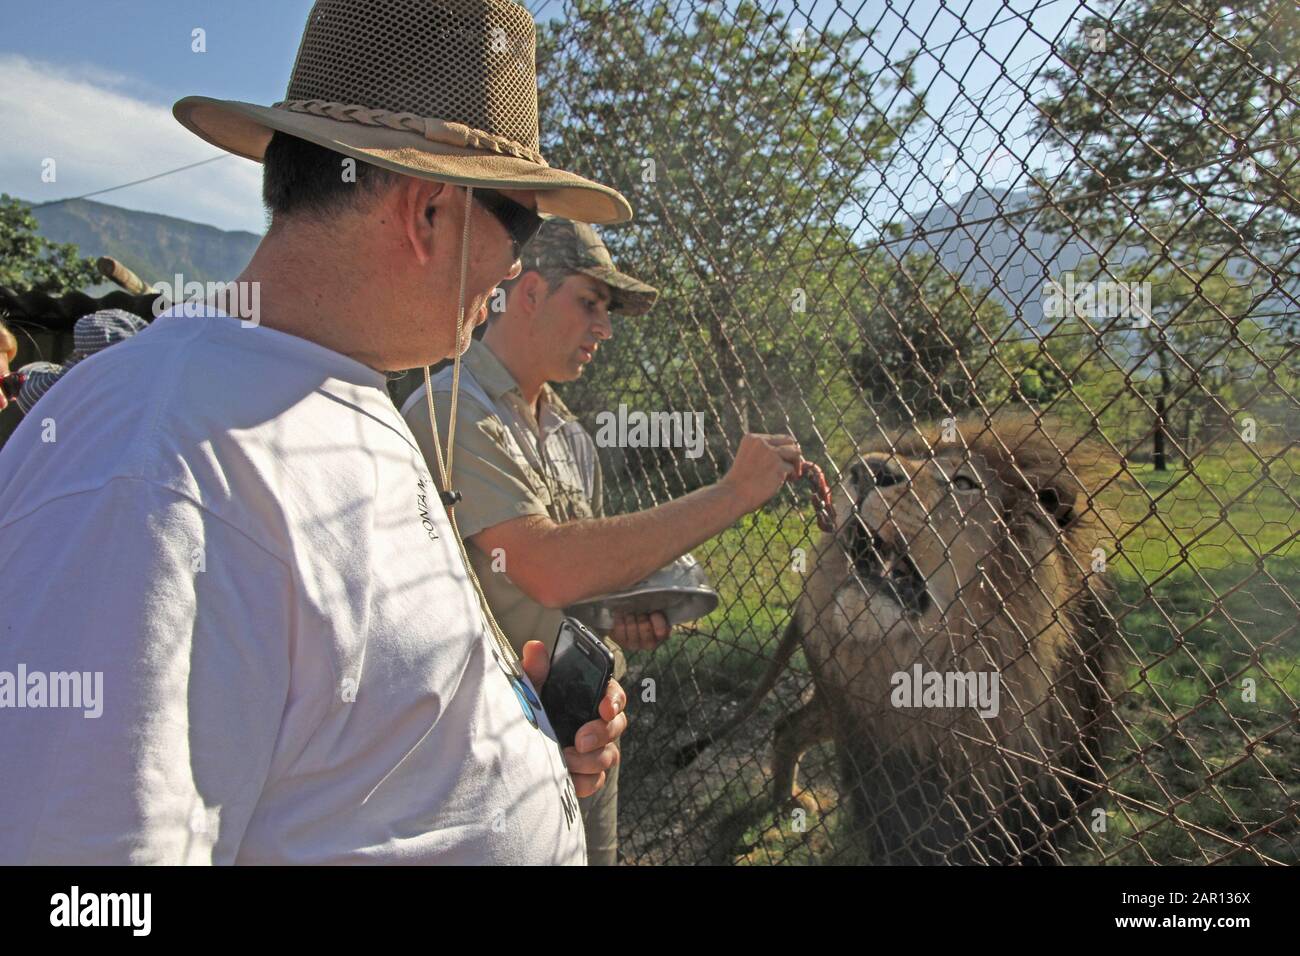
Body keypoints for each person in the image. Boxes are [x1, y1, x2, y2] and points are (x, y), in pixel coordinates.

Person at [0, 0, 632, 865]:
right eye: (519, 226)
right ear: (430, 213)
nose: (518, 267)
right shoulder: (155, 465)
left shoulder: (334, 390)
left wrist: (506, 732)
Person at [402, 218, 806, 864]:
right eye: (590, 303)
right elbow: (547, 567)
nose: (606, 328)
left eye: (608, 310)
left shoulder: (572, 439)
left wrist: (618, 618)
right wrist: (731, 495)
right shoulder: (452, 410)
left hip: (586, 732)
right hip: (486, 751)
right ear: (529, 293)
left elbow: (571, 590)